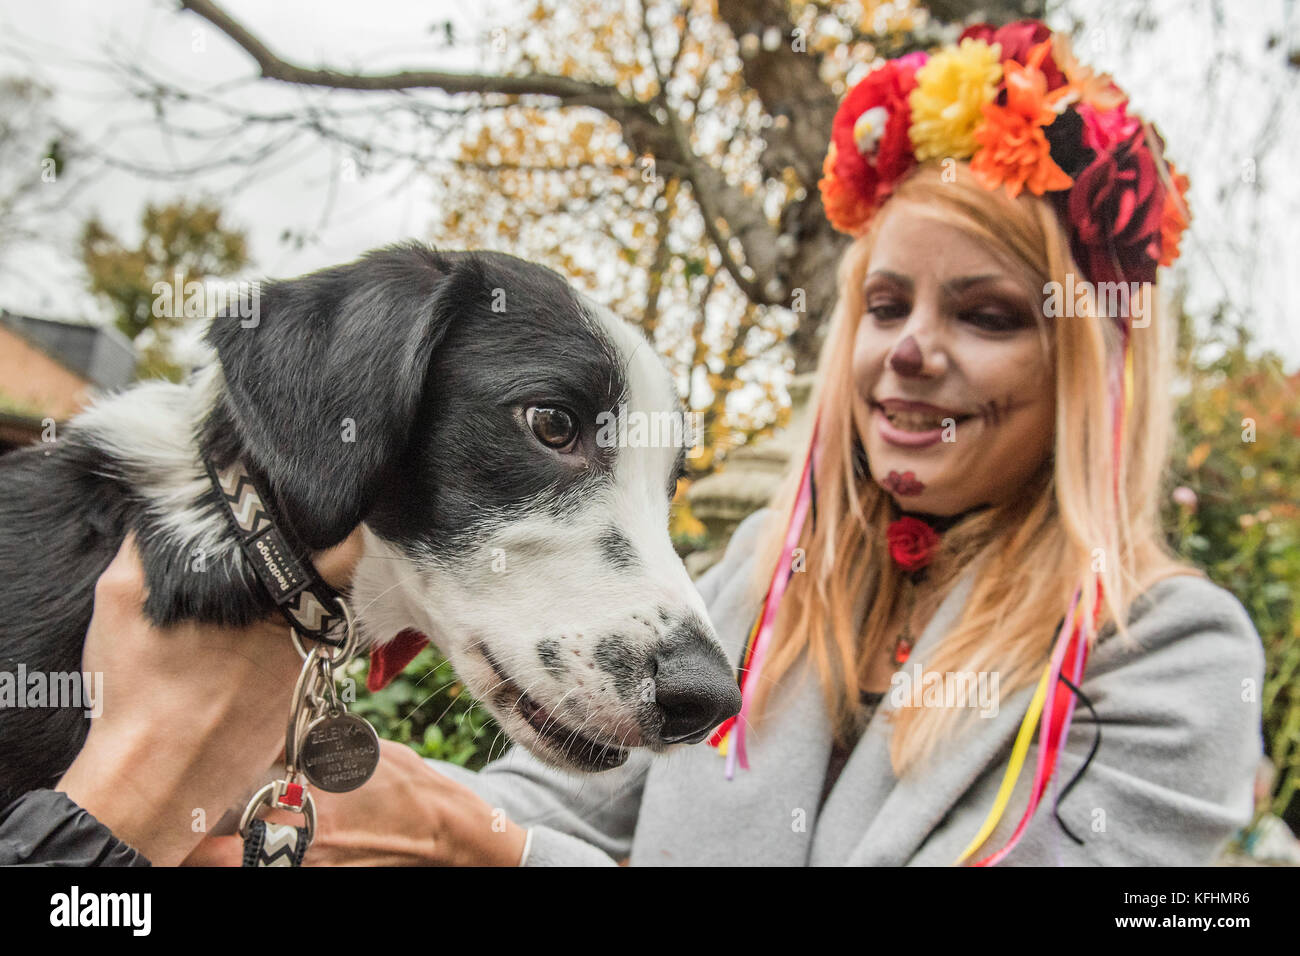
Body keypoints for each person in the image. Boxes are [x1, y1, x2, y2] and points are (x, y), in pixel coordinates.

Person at [1, 18, 1266, 866]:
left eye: (985, 314)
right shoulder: (776, 571)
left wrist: (130, 811)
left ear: (1084, 361)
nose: (908, 349)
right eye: (884, 303)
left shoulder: (1165, 650)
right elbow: (565, 818)